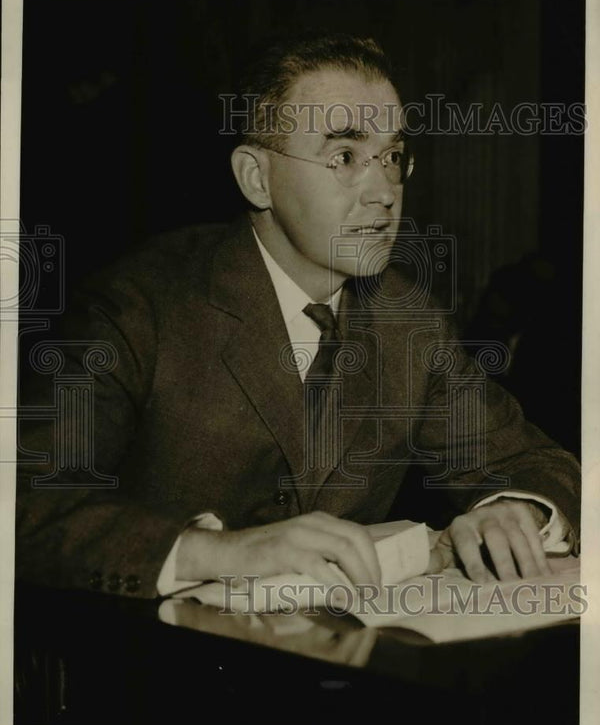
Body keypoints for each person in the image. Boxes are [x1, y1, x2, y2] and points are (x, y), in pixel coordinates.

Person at [16, 33, 580, 599]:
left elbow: (535, 461)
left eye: (391, 157)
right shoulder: (137, 303)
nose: (383, 191)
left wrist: (516, 510)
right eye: (344, 157)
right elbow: (25, 503)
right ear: (256, 178)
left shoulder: (407, 321)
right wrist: (222, 552)